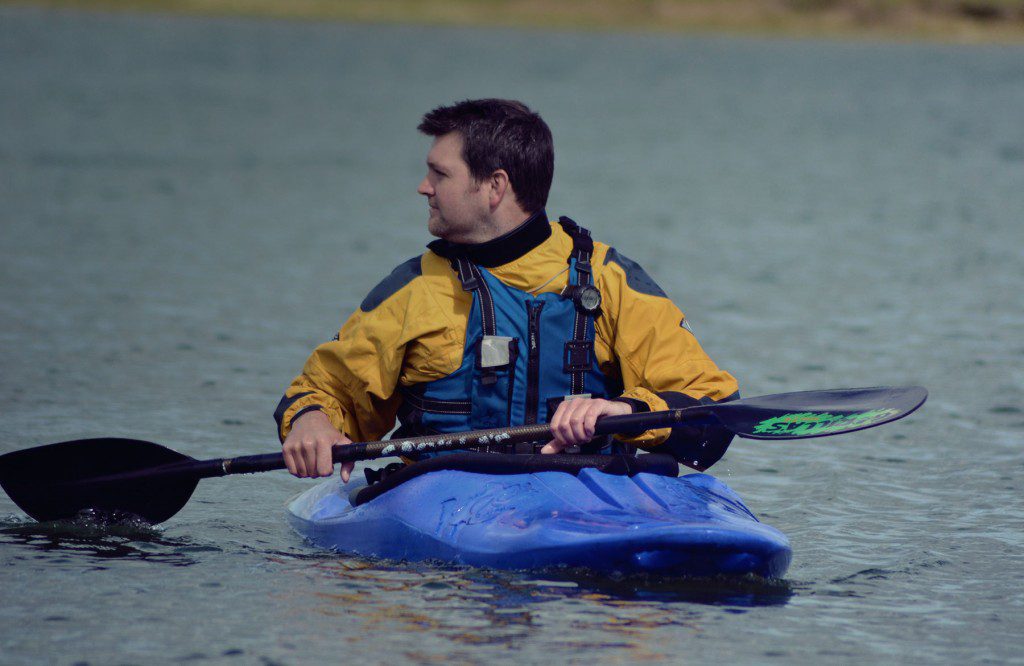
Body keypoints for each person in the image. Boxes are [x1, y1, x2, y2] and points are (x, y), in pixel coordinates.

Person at [275, 99, 738, 482]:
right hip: (443, 498)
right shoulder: (414, 290)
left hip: (588, 496)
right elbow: (325, 389)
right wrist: (312, 422)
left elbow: (711, 407)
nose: (423, 187)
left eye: (440, 174)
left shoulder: (612, 281)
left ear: (494, 186)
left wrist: (623, 408)